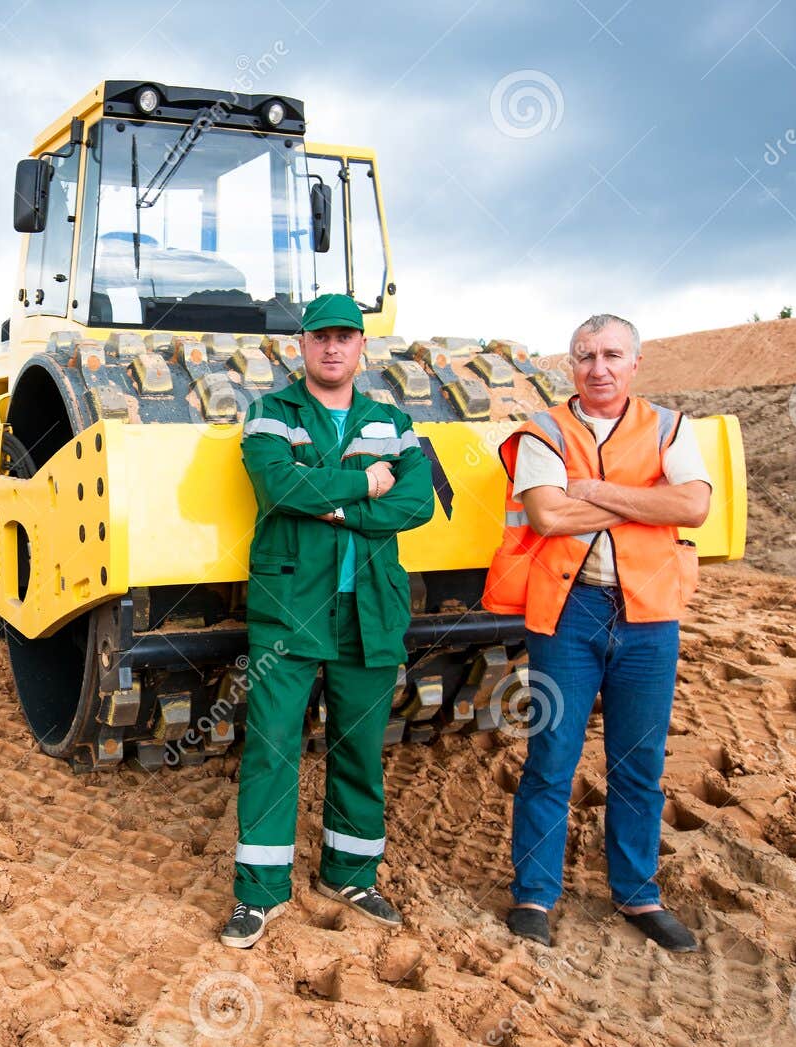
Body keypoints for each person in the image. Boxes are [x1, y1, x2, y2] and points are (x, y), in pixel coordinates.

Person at [483, 313, 712, 952]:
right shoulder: (544, 430)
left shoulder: (670, 426)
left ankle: (638, 895)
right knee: (551, 758)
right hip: (568, 612)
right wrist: (641, 498)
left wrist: (596, 491)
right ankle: (534, 895)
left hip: (649, 615)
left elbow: (693, 505)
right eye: (585, 355)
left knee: (639, 763)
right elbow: (549, 516)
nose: (598, 367)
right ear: (570, 364)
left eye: (612, 354)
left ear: (635, 363)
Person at [220, 293, 435, 949]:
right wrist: (363, 484)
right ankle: (258, 894)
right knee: (273, 747)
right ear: (302, 346)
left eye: (345, 336)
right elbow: (279, 487)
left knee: (359, 749)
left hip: (371, 608)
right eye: (320, 337)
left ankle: (349, 873)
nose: (332, 347)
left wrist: (344, 510)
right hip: (290, 607)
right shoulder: (270, 414)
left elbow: (418, 500)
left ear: (362, 346)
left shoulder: (391, 421)